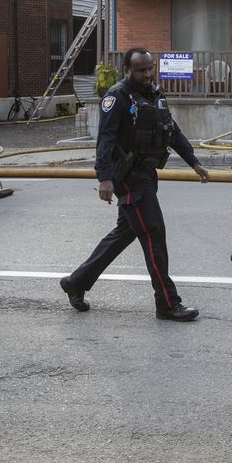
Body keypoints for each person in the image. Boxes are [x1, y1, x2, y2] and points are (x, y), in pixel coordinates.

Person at [59, 48, 209, 321]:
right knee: (154, 234)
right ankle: (167, 303)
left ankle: (76, 282)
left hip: (147, 174)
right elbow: (104, 139)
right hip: (128, 177)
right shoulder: (117, 97)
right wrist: (103, 178)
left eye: (150, 68)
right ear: (128, 70)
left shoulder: (153, 93)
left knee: (125, 232)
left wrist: (193, 161)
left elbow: (171, 130)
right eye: (141, 70)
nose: (148, 74)